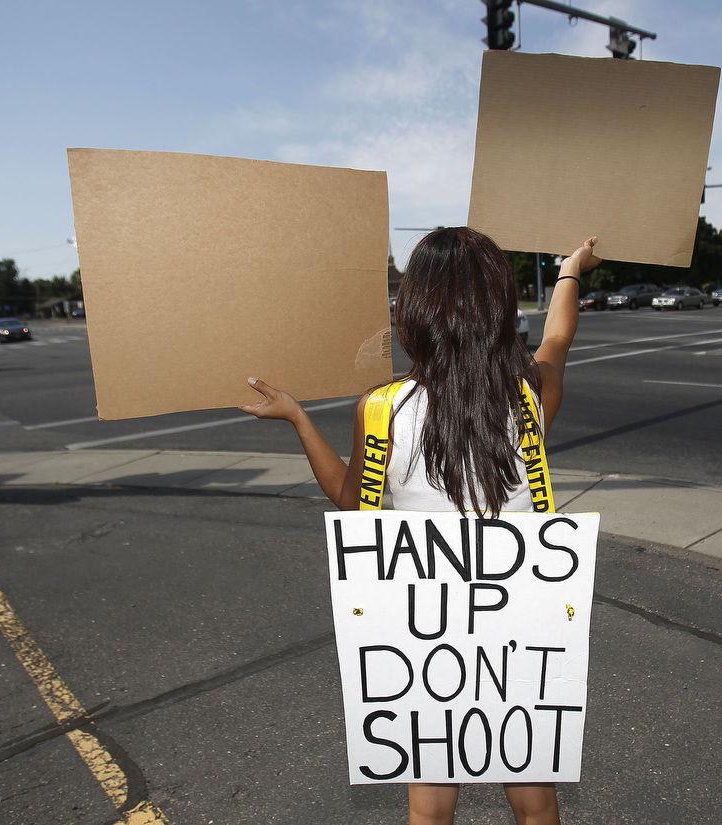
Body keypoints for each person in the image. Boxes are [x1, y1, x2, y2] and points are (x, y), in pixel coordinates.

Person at [239, 227, 601, 825]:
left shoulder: (382, 408)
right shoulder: (529, 398)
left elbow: (353, 506)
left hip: (428, 640)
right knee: (536, 801)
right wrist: (570, 270)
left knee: (428, 806)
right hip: (521, 625)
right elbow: (559, 337)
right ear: (500, 309)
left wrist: (299, 419)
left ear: (414, 313)